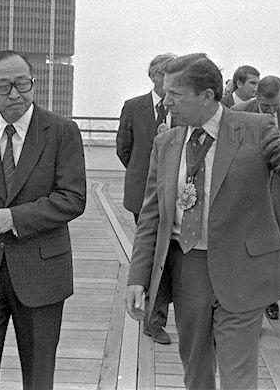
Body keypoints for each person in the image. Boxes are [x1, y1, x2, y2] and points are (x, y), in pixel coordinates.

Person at [125, 53, 280, 389]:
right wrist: (138, 277)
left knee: (238, 377)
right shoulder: (166, 142)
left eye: (174, 95)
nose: (165, 102)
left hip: (241, 269)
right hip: (186, 270)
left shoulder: (256, 129)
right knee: (195, 371)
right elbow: (152, 217)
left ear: (206, 96)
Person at [0, 50, 87, 390]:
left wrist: (12, 218)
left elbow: (73, 198)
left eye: (22, 84)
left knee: (38, 381)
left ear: (33, 84)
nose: (15, 94)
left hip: (41, 276)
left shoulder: (61, 131)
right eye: (4, 86)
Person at [116, 52, 177, 345]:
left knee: (173, 257)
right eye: (169, 75)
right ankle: (154, 320)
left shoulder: (183, 107)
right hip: (143, 194)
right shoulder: (134, 107)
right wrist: (146, 174)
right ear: (154, 76)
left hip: (181, 195)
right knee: (153, 255)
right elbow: (123, 148)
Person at [233, 75, 280, 321]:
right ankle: (259, 298)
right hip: (251, 186)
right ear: (257, 97)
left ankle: (268, 293)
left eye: (275, 106)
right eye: (266, 105)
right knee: (250, 245)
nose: (271, 110)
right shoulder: (239, 111)